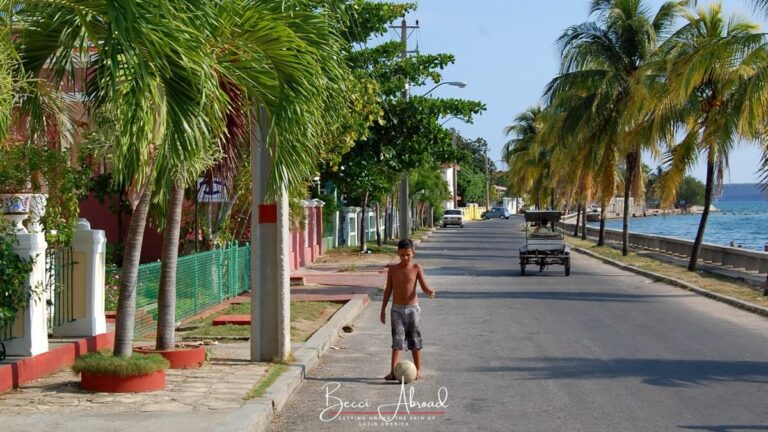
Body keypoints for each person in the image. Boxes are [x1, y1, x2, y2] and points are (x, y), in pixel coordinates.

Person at [380, 239, 436, 381]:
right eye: (402, 255)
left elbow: (423, 286)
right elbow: (388, 290)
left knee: (414, 339)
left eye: (408, 255)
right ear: (397, 253)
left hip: (413, 310)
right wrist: (383, 309)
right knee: (397, 340)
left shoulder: (416, 267)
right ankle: (393, 372)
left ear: (413, 253)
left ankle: (418, 370)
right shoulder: (393, 269)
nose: (405, 258)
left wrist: (429, 291)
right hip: (396, 310)